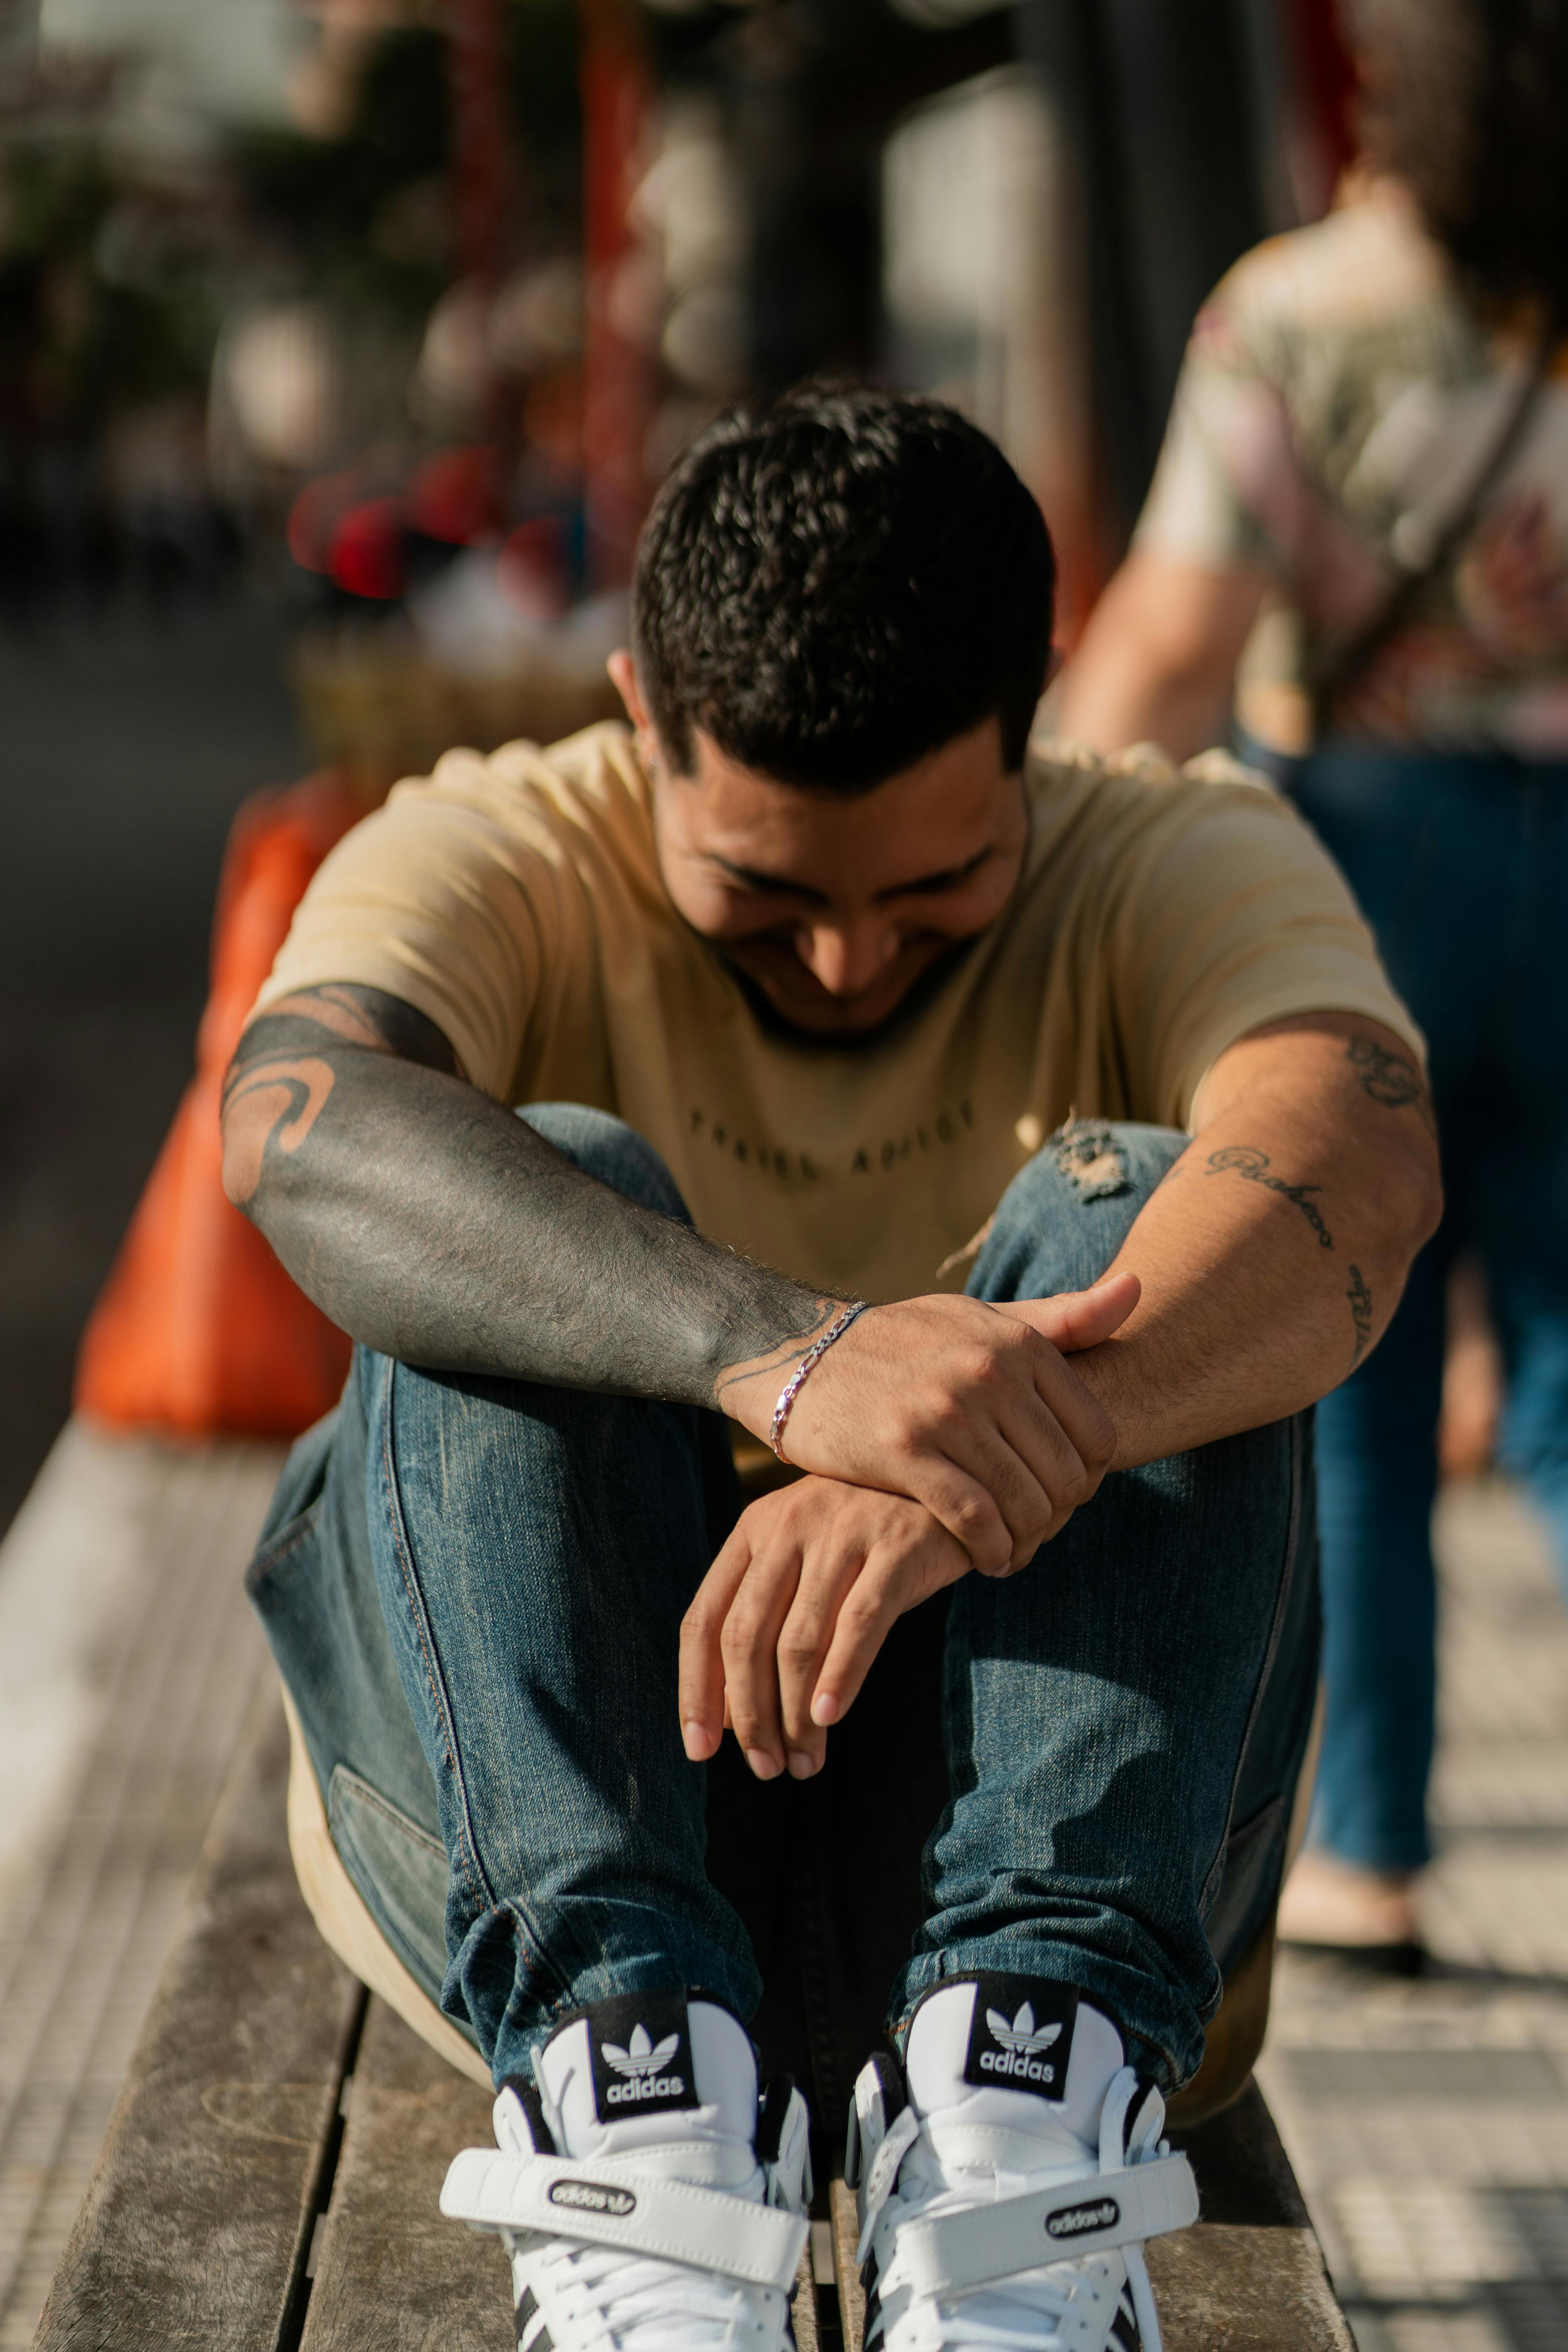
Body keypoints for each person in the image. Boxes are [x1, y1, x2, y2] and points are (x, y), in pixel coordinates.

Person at [222, 386, 1438, 2352]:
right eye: (769, 898)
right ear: (640, 716)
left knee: (1146, 1204)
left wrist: (986, 1438)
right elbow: (298, 1128)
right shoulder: (495, 838)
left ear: (1032, 723)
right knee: (526, 1187)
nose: (850, 965)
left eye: (928, 893)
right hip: (562, 1839)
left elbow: (1358, 1161)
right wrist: (785, 1361)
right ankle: (637, 2100)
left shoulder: (1181, 846)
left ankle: (1020, 2147)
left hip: (1039, 1880)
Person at [1054, 0, 1568, 1972]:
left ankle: (1365, 1857)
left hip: (1359, 856)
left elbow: (1178, 640)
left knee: (1345, 1341)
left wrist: (1048, 825)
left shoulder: (1301, 309)